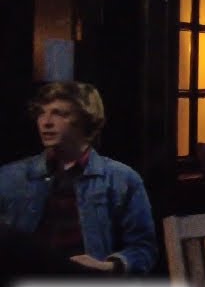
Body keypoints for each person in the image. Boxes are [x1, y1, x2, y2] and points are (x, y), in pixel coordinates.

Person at [0, 82, 157, 275]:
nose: (46, 122)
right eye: (42, 113)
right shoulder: (11, 176)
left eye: (60, 114)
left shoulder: (121, 179)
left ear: (86, 120)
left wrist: (108, 266)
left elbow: (143, 249)